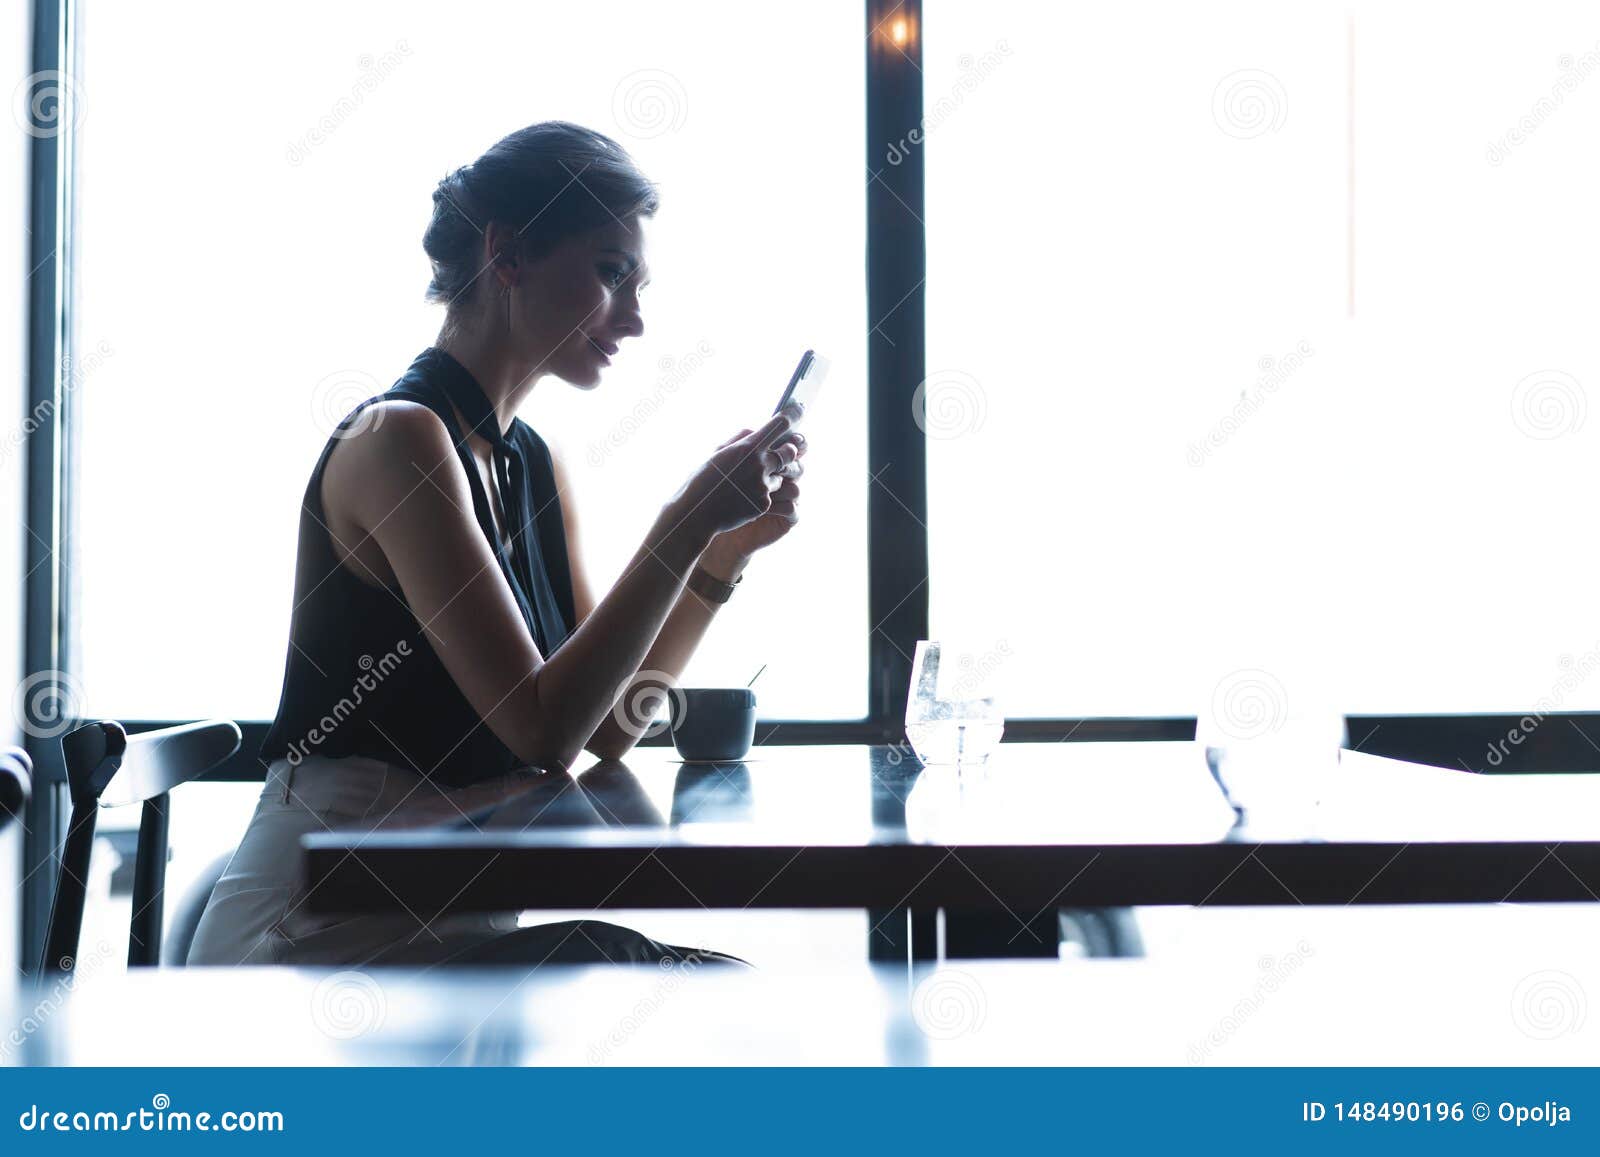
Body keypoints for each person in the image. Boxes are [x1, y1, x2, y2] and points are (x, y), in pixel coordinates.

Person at [187, 121, 805, 966]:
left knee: (682, 978)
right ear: (507, 254)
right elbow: (543, 732)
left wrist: (719, 556)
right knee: (684, 978)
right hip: (313, 937)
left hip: (441, 921)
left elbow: (610, 724)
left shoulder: (532, 464)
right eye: (611, 273)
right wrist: (684, 520)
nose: (634, 319)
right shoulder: (397, 439)